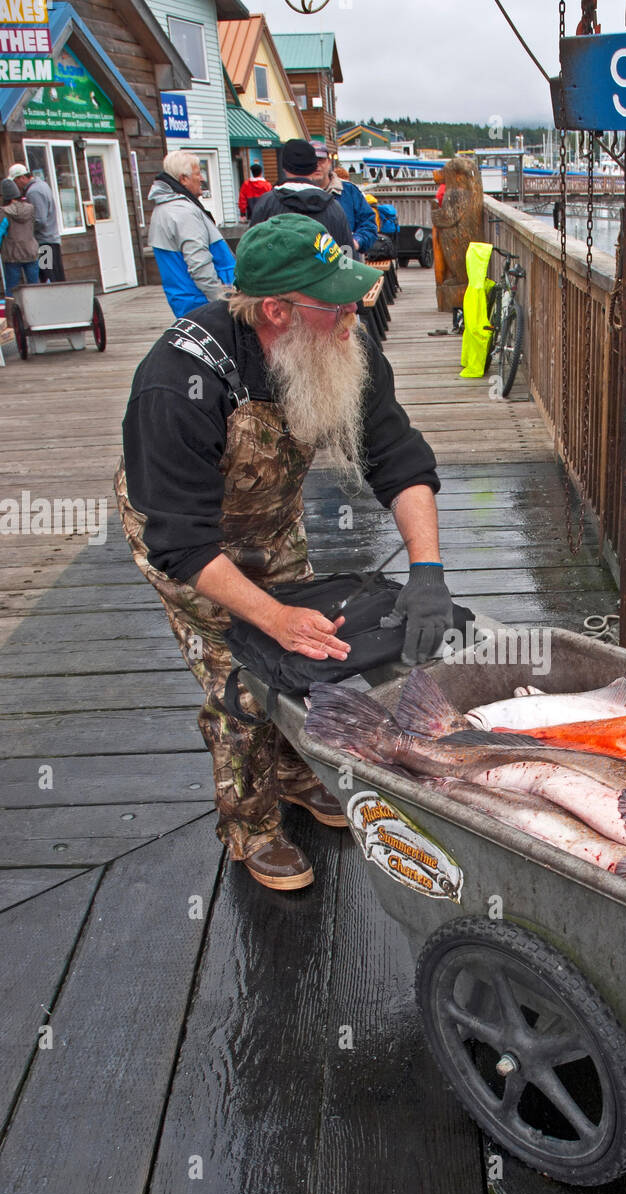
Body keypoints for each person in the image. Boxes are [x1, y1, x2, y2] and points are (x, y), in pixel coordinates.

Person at [116, 214, 459, 891]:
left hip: (271, 523)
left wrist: (427, 571)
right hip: (186, 539)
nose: (353, 316)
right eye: (337, 304)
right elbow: (179, 541)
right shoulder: (177, 378)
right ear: (276, 309)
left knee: (308, 659)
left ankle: (298, 774)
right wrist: (270, 616)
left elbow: (399, 459)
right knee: (241, 678)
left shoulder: (338, 343)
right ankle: (250, 827)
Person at [147, 150, 236, 318]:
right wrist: (224, 304)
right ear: (183, 179)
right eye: (198, 173)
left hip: (188, 303)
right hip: (203, 304)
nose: (202, 178)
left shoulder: (165, 208)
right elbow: (199, 265)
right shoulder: (182, 212)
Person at [249, 139, 351, 247]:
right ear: (314, 167)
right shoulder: (334, 208)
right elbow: (348, 257)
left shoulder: (266, 204)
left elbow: (250, 254)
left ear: (284, 167)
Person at [311, 143, 377, 257]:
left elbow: (369, 224)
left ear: (329, 162)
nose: (317, 165)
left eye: (321, 160)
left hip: (346, 263)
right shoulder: (298, 194)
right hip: (312, 266)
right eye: (312, 161)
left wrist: (356, 241)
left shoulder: (350, 191)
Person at [8, 161, 63, 282]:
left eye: (15, 182)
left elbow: (39, 220)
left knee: (48, 279)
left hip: (44, 244)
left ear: (22, 177)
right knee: (56, 278)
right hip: (51, 241)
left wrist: (24, 233)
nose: (16, 186)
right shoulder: (42, 185)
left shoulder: (34, 192)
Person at [1, 176, 41, 294]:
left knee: (12, 289)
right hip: (31, 251)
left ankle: (12, 311)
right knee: (34, 286)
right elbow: (35, 225)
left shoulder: (4, 212)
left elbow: (0, 232)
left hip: (13, 255)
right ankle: (36, 309)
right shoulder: (30, 208)